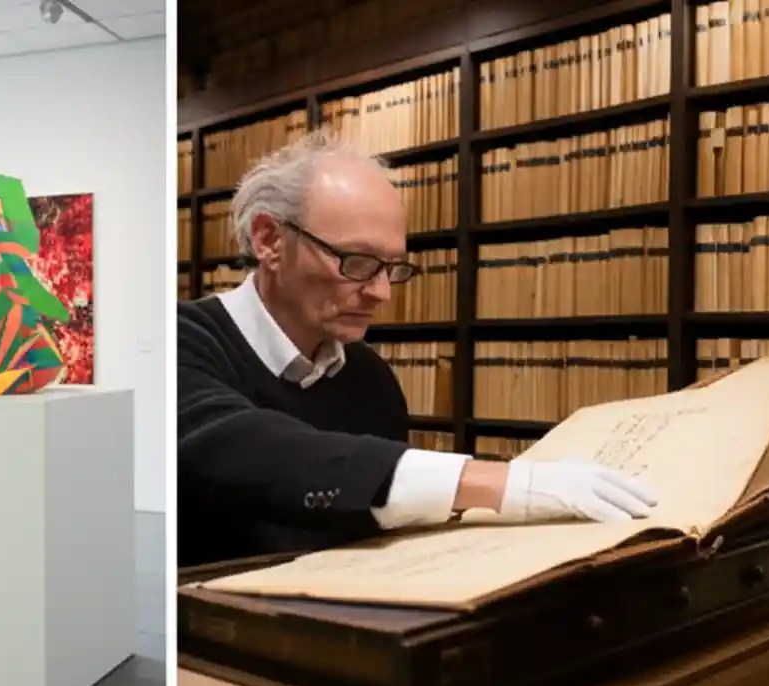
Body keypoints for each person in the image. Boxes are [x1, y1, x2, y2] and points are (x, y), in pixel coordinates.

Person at [177, 129, 659, 568]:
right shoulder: (182, 341)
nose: (381, 293)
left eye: (393, 268)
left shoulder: (368, 376)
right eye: (356, 261)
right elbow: (252, 450)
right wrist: (514, 486)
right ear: (269, 241)